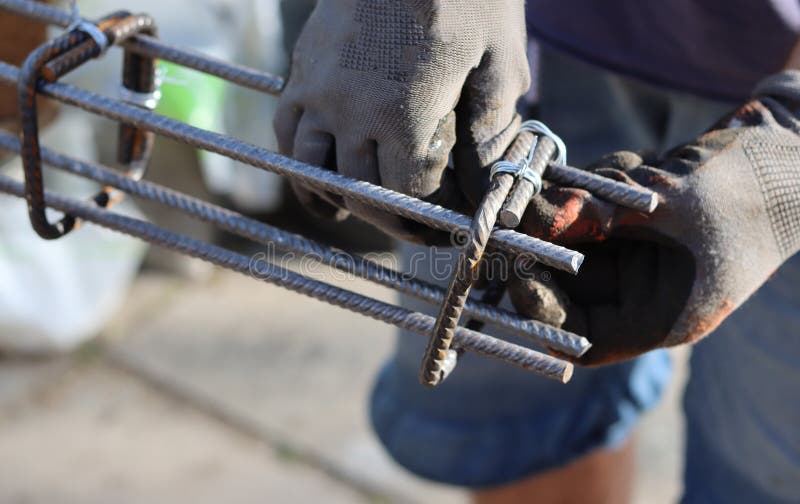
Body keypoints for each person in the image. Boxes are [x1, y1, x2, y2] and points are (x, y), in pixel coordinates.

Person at [275, 1, 800, 502]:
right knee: (512, 428)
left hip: (780, 53)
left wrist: (790, 138)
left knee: (770, 475)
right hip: (517, 47)